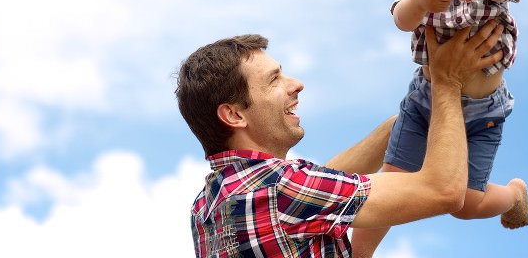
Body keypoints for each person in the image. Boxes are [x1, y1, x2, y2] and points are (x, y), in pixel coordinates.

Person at [175, 21, 504, 257]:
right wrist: (447, 82)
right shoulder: (282, 190)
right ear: (234, 115)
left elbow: (315, 194)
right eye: (274, 80)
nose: (296, 84)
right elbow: (443, 192)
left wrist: (408, 121)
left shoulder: (208, 205)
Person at [351, 0, 528, 258]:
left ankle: (513, 195)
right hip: (424, 104)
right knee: (392, 185)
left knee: (464, 205)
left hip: (484, 113)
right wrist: (422, 2)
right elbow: (401, 18)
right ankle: (357, 254)